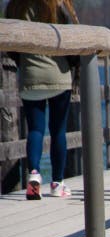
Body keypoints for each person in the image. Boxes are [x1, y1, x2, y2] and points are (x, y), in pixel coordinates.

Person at [6, 0, 78, 200]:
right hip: (58, 74)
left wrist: (22, 62)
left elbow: (9, 42)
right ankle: (57, 183)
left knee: (35, 130)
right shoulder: (57, 4)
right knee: (58, 131)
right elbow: (73, 36)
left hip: (30, 75)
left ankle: (34, 175)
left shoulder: (16, 5)